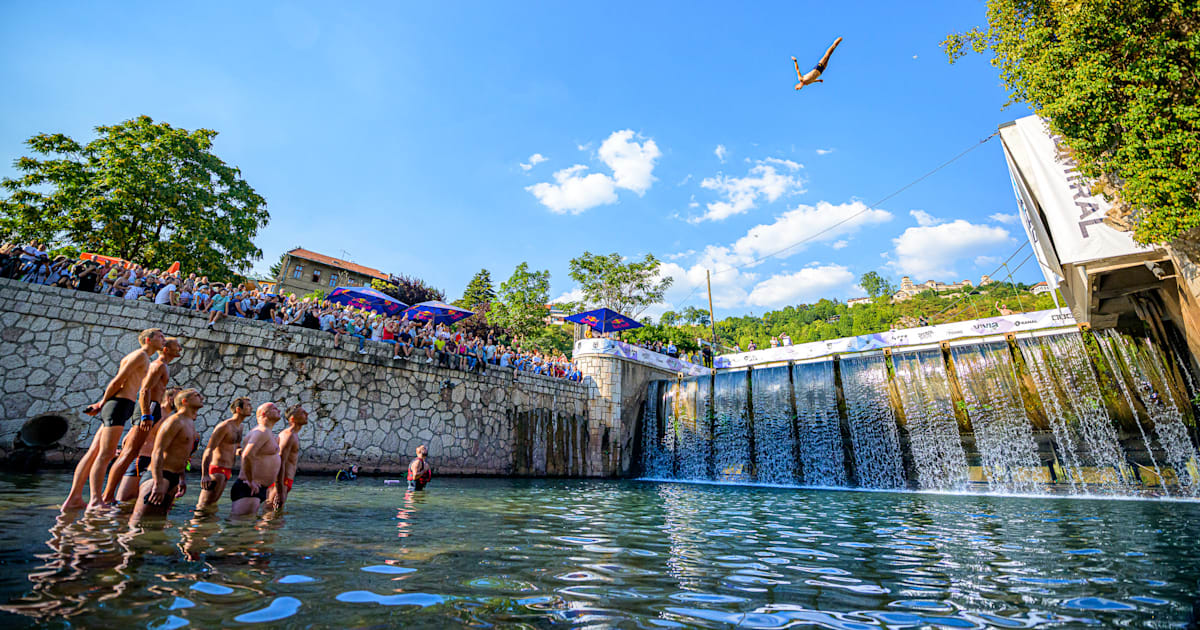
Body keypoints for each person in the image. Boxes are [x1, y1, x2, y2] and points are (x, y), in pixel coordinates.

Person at [62, 328, 165, 511]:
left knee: (94, 452)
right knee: (105, 454)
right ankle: (95, 500)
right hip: (118, 404)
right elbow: (118, 381)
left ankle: (74, 498)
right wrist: (102, 403)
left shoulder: (143, 358)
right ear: (148, 340)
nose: (163, 339)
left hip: (122, 405)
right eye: (160, 336)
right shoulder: (140, 356)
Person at [99, 336, 182, 505]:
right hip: (149, 407)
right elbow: (144, 390)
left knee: (132, 452)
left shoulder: (163, 366)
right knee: (130, 453)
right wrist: (146, 414)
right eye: (177, 346)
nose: (180, 349)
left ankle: (110, 495)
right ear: (166, 349)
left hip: (153, 408)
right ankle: (107, 495)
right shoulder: (158, 365)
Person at [130, 389, 201, 521]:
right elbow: (158, 451)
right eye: (196, 395)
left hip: (173, 478)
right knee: (138, 522)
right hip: (159, 476)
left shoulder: (189, 423)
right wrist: (157, 482)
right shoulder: (174, 421)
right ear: (184, 401)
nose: (201, 397)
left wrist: (182, 478)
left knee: (158, 523)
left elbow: (183, 455)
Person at [115, 386, 179, 503]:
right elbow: (131, 435)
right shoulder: (155, 411)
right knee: (124, 500)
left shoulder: (171, 418)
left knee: (143, 500)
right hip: (141, 459)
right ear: (170, 398)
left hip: (155, 463)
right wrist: (125, 453)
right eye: (178, 397)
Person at [196, 396, 251, 510]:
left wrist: (242, 452)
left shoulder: (240, 427)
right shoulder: (224, 427)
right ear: (238, 409)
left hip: (227, 471)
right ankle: (195, 527)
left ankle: (209, 527)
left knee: (212, 505)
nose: (251, 408)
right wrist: (205, 475)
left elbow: (235, 447)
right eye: (248, 406)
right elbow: (209, 449)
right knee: (203, 506)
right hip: (217, 470)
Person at [230, 402, 282, 517]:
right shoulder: (262, 432)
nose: (279, 411)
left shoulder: (268, 433)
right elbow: (247, 455)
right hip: (249, 488)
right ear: (264, 413)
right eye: (274, 409)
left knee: (248, 528)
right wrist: (250, 480)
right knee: (239, 526)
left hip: (258, 488)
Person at [268, 405, 309, 511]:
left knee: (275, 515)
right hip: (282, 482)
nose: (307, 414)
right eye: (302, 413)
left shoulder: (293, 435)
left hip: (285, 481)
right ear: (292, 419)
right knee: (271, 514)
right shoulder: (288, 435)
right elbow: (280, 461)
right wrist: (280, 489)